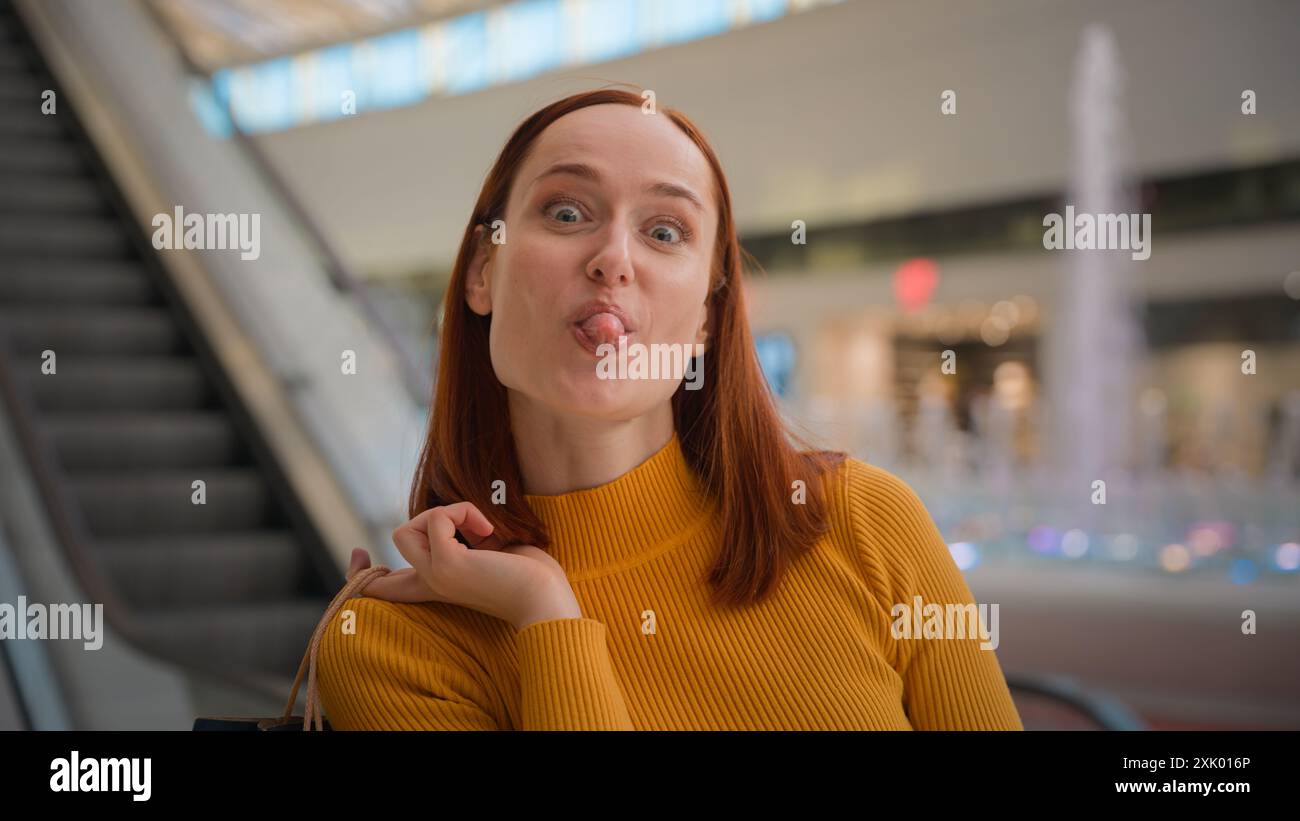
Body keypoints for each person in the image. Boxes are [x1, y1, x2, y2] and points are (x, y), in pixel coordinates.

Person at [317, 87, 1023, 730]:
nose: (613, 258)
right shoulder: (395, 648)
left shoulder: (870, 524)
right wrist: (547, 615)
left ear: (710, 317)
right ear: (482, 271)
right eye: (567, 212)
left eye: (664, 231)